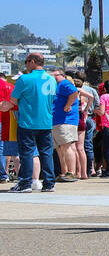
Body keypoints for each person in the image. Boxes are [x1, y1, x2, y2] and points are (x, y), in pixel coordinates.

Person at [1, 52, 57, 193]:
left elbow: (12, 101)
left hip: (28, 122)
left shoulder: (24, 79)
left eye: (26, 61)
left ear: (32, 62)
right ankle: (49, 183)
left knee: (26, 153)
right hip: (46, 122)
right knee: (46, 153)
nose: (25, 64)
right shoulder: (51, 80)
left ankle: (25, 183)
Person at [50, 68, 81, 183]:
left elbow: (74, 92)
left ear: (62, 75)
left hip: (65, 120)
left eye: (55, 75)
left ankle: (71, 172)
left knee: (66, 146)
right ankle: (64, 171)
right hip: (58, 120)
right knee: (60, 148)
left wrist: (68, 105)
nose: (52, 78)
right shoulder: (57, 85)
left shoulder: (64, 83)